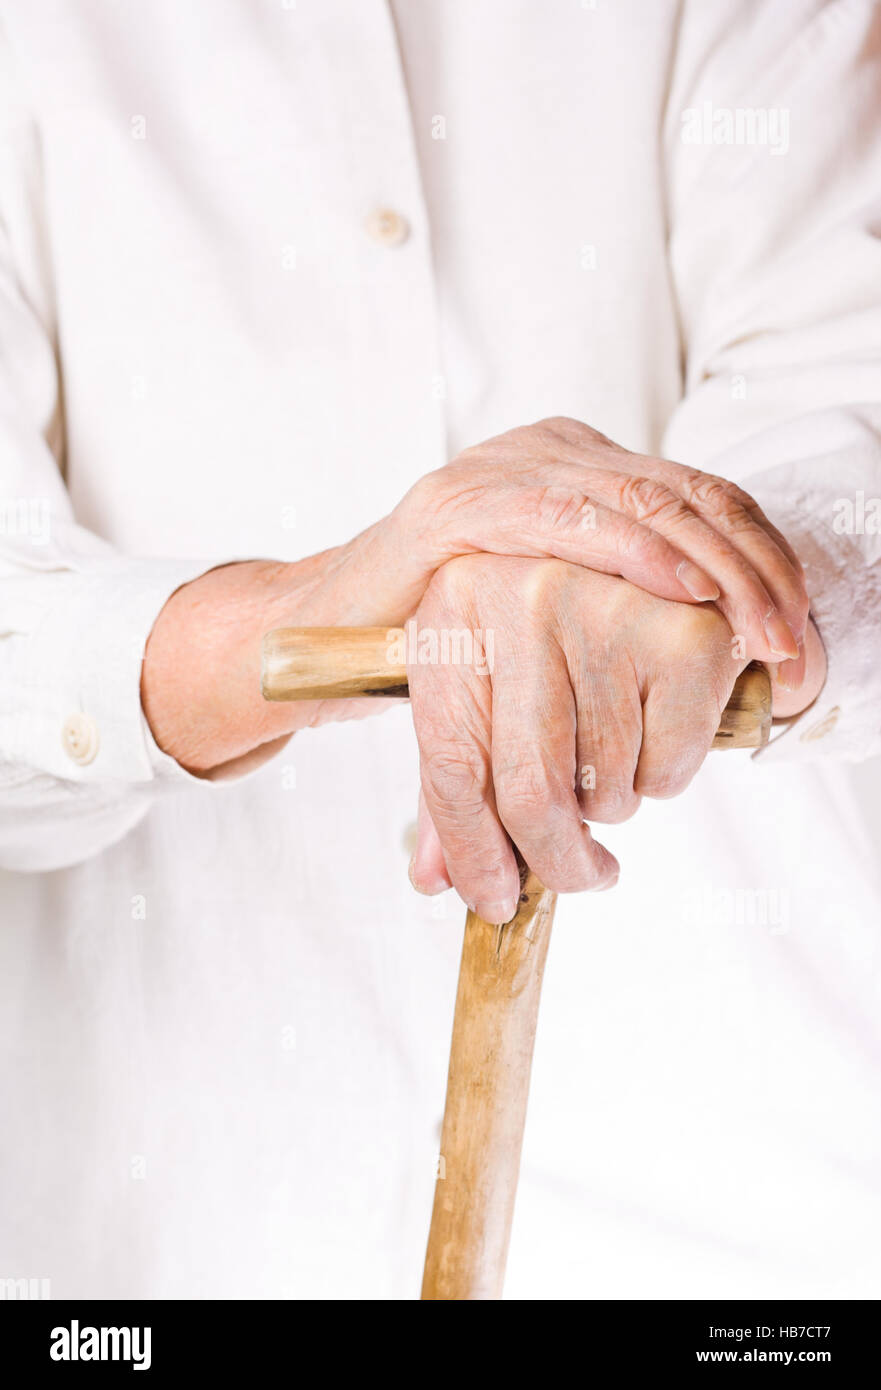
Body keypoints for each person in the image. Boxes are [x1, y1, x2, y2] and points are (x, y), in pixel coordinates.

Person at [0, 0, 879, 1300]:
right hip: (172, 1252)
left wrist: (687, 575)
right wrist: (322, 604)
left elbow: (842, 374)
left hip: (751, 1225)